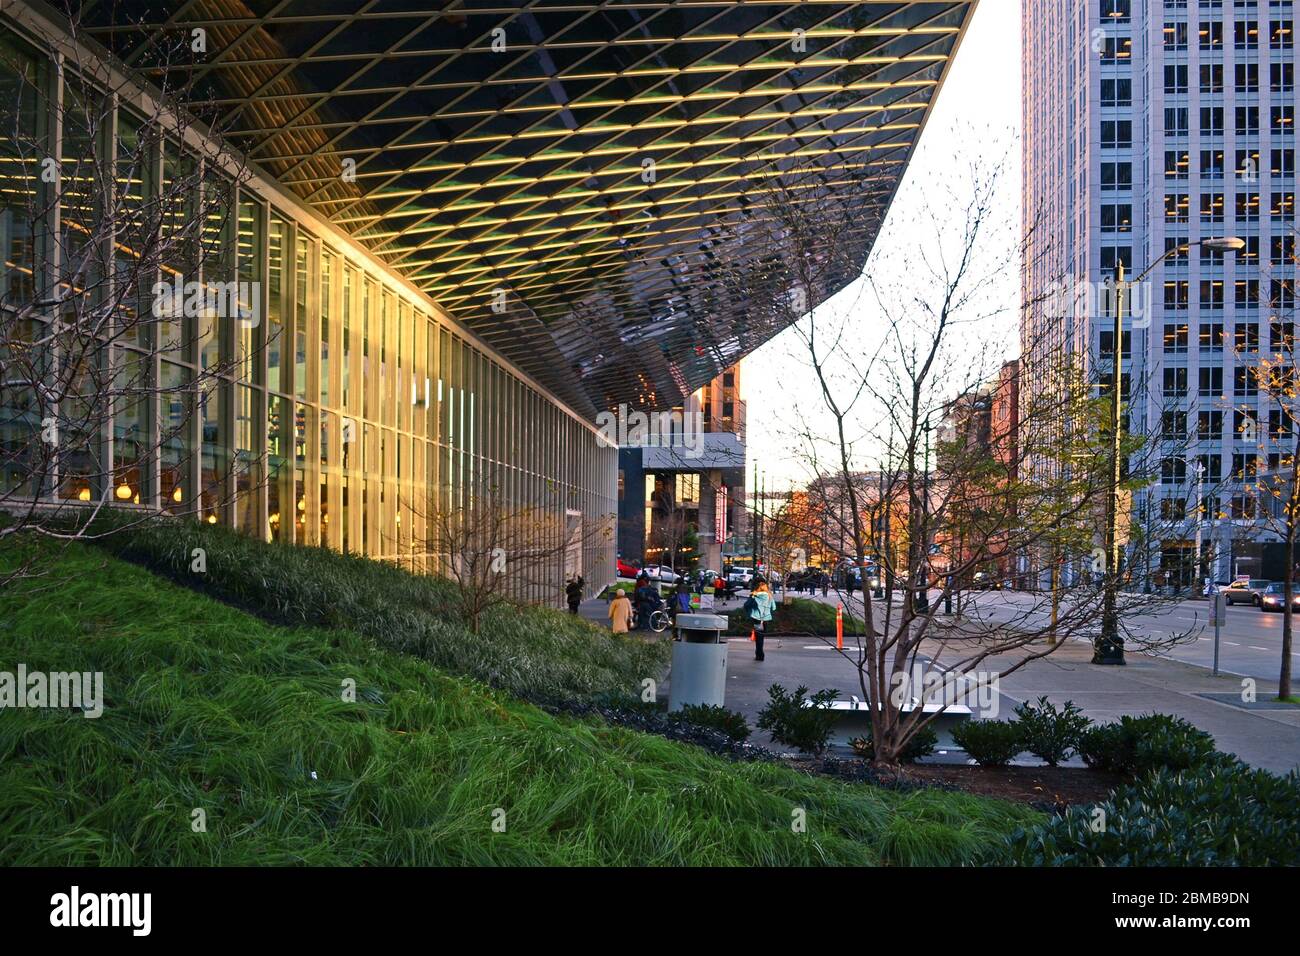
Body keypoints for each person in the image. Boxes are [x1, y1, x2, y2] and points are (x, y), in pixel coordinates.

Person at [746, 576, 775, 661]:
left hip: (757, 618)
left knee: (758, 637)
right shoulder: (770, 595)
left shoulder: (754, 595)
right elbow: (774, 607)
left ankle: (760, 654)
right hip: (765, 619)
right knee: (761, 637)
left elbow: (747, 605)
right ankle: (759, 654)